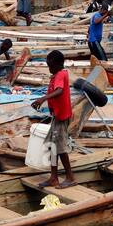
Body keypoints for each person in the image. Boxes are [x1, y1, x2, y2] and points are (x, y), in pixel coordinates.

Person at [31, 50, 78, 189]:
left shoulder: (60, 74)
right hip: (57, 116)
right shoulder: (58, 74)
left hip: (62, 117)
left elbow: (59, 91)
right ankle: (54, 178)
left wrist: (42, 99)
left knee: (60, 147)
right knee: (52, 146)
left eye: (50, 66)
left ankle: (70, 177)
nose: (49, 68)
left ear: (57, 64)